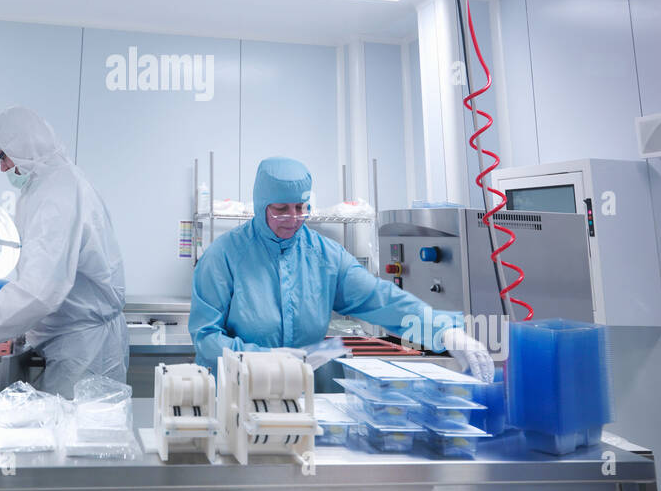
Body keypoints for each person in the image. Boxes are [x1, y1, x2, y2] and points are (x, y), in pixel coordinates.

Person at [189, 156, 492, 380]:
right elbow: (206, 338)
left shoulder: (324, 256)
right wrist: (263, 360)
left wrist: (445, 331)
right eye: (280, 209)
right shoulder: (224, 257)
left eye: (300, 208)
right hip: (236, 397)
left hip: (302, 397)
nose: (293, 218)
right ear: (261, 206)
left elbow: (381, 299)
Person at [0, 106, 128, 397]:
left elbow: (39, 290)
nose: (3, 167)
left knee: (78, 436)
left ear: (26, 147)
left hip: (84, 349)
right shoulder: (45, 185)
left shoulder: (58, 193)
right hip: (73, 341)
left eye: (3, 156)